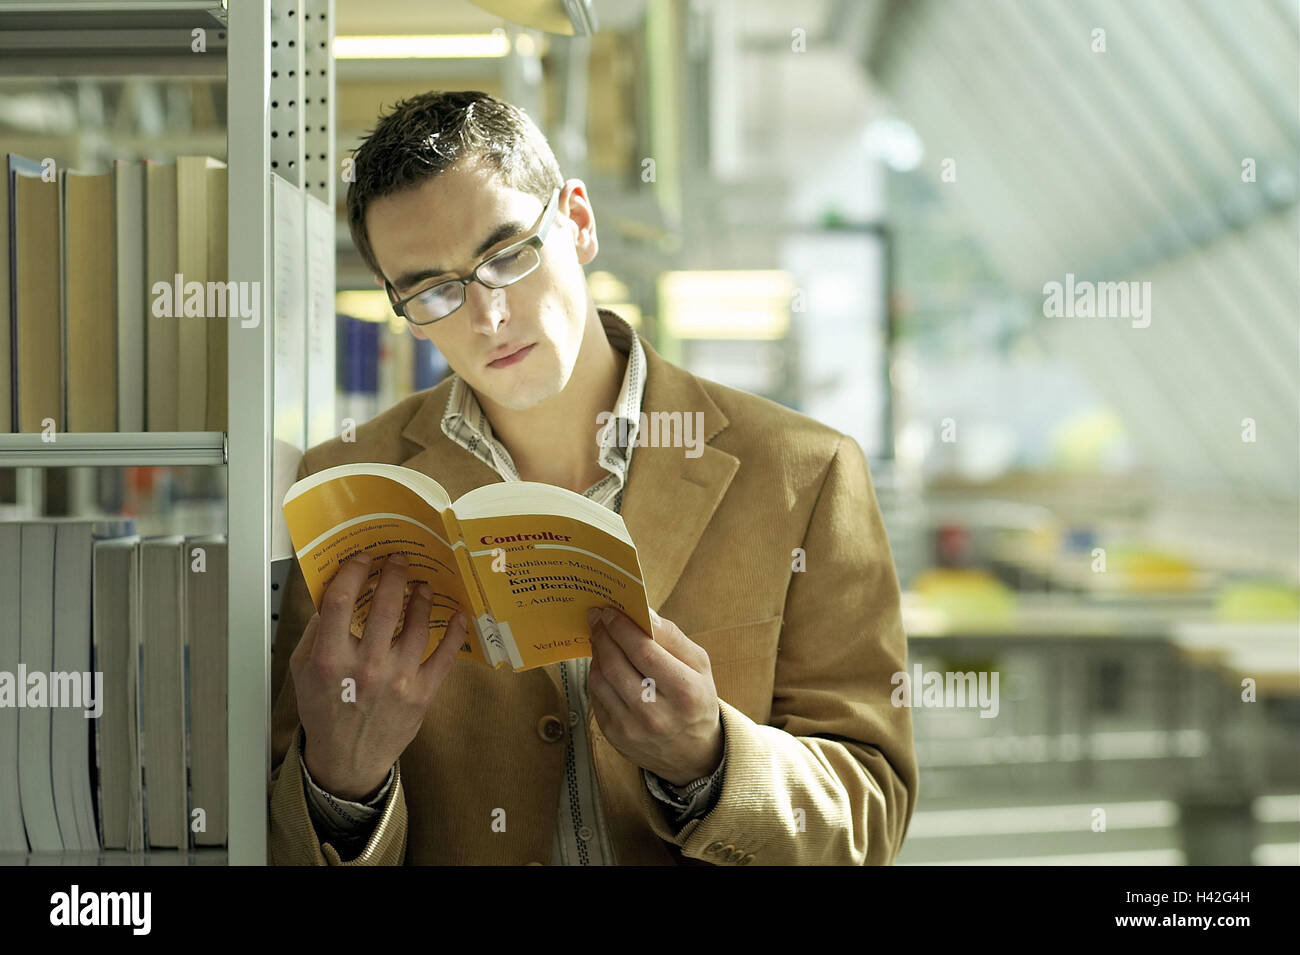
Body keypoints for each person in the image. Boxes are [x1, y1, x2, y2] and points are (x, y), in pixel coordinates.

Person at [268, 90, 917, 865]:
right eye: (435, 290)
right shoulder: (346, 484)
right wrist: (343, 783)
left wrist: (711, 762)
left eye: (507, 255)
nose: (489, 316)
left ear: (577, 220)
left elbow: (872, 811)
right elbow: (283, 832)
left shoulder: (806, 474)